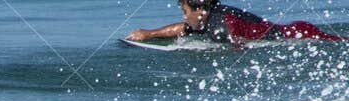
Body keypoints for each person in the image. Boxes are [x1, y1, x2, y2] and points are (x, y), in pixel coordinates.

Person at [127, 0, 343, 43]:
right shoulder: (210, 17)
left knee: (340, 40)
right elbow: (184, 28)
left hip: (300, 34)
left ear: (200, 10)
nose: (184, 16)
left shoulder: (220, 26)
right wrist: (149, 34)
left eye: (184, 11)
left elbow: (237, 46)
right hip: (297, 28)